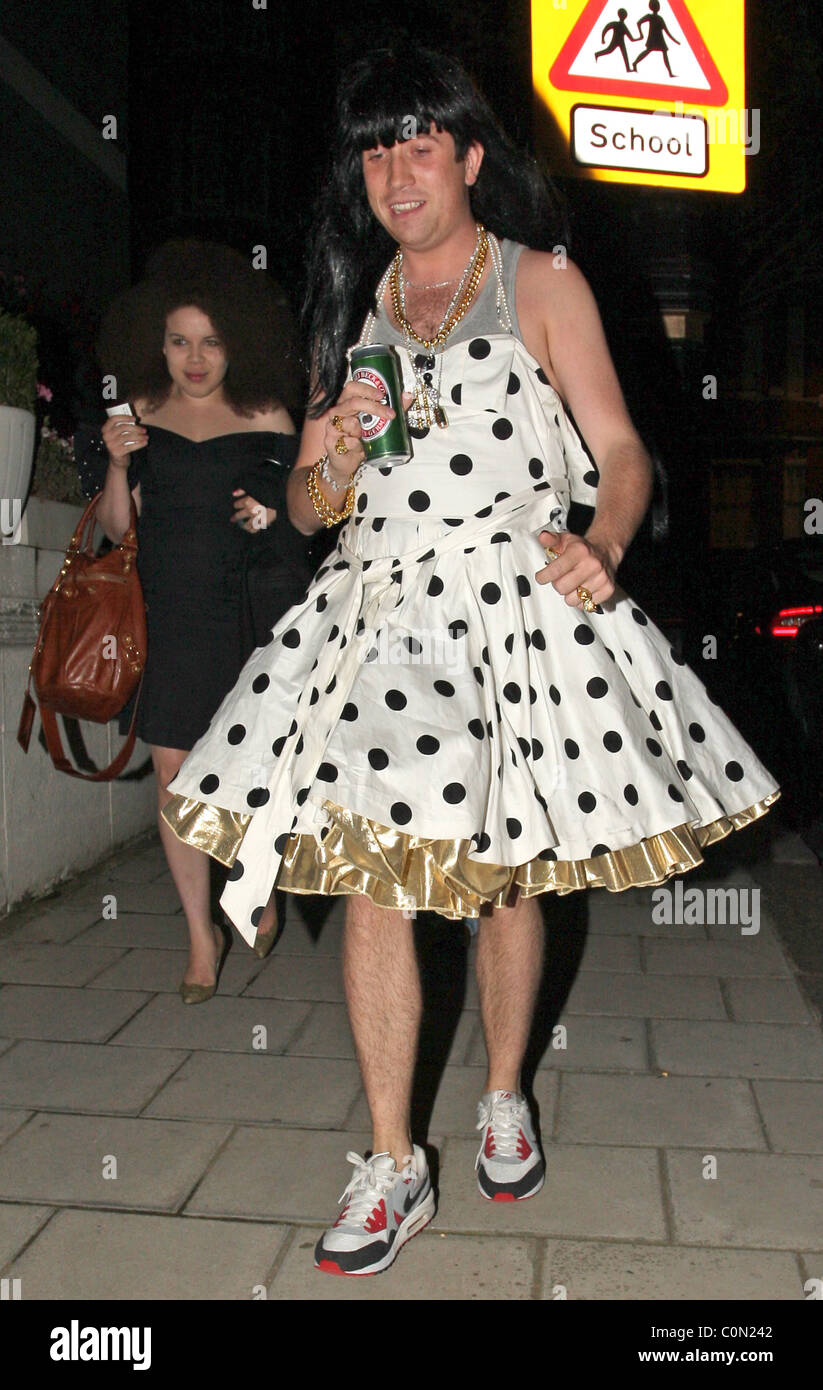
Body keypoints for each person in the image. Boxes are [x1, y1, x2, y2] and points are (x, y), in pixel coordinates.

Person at [160, 46, 780, 1276]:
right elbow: (304, 509)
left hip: (507, 605)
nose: (393, 171)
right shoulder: (350, 306)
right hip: (372, 619)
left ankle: (502, 1093)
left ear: (469, 157)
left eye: (417, 144)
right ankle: (393, 1161)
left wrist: (602, 539)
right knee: (373, 876)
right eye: (373, 150)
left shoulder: (539, 281)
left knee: (504, 875)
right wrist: (322, 452)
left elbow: (622, 449)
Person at [76, 240, 315, 1003]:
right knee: (176, 781)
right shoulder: (141, 416)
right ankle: (199, 940)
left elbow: (308, 519)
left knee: (251, 767)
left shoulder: (268, 414)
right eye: (179, 341)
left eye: (210, 341)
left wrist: (271, 515)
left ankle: (255, 883)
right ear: (159, 344)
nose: (195, 358)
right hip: (168, 614)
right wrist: (116, 464)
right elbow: (118, 528)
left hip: (248, 611)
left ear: (234, 343)